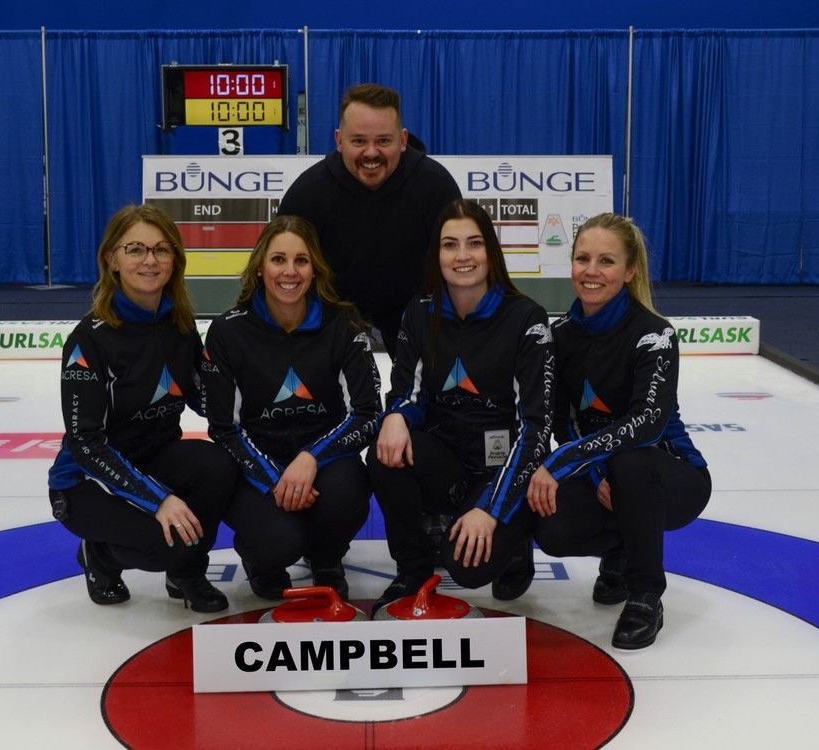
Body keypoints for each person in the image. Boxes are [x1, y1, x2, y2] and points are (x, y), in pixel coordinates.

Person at [527, 212, 711, 650]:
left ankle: (646, 594)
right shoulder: (560, 336)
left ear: (629, 271)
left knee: (631, 464)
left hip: (671, 475)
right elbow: (560, 423)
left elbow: (646, 425)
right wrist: (593, 475)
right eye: (582, 258)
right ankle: (620, 550)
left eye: (606, 261)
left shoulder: (655, 335)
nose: (591, 271)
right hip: (605, 473)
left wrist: (564, 464)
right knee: (551, 527)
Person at [48, 204, 237, 613]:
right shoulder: (89, 341)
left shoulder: (180, 325)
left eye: (161, 250)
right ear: (112, 259)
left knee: (218, 466)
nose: (150, 261)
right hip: (86, 482)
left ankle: (187, 571)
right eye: (135, 249)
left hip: (155, 458)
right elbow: (86, 445)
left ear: (175, 260)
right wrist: (159, 500)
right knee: (161, 544)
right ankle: (99, 556)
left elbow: (206, 402)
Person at [367, 199, 555, 613]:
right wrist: (396, 415)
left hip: (505, 468)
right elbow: (407, 393)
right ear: (437, 255)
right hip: (448, 459)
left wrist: (490, 506)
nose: (462, 256)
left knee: (467, 569)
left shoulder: (526, 318)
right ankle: (413, 569)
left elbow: (535, 428)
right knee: (385, 452)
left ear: (491, 251)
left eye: (473, 243)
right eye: (450, 245)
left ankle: (516, 539)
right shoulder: (419, 312)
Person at [201, 215, 381, 601]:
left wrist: (311, 458)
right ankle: (259, 557)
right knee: (279, 541)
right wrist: (272, 477)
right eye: (278, 259)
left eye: (301, 260)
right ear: (260, 268)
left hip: (323, 461)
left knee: (348, 495)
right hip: (257, 466)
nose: (290, 271)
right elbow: (223, 428)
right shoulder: (228, 331)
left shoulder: (344, 325)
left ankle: (327, 557)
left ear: (314, 269)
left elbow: (367, 413)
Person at [278, 83, 461, 355]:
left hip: (422, 324)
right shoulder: (308, 193)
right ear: (339, 141)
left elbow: (463, 269)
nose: (371, 153)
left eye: (383, 141)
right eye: (359, 141)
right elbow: (276, 273)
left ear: (403, 140)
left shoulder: (435, 186)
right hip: (329, 325)